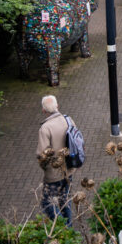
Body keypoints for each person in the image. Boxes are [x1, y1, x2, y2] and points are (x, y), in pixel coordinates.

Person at [37, 95, 74, 226]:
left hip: (53, 174)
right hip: (69, 169)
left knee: (47, 202)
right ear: (57, 106)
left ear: (43, 110)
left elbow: (41, 154)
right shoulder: (68, 120)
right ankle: (69, 228)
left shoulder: (45, 128)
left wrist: (46, 168)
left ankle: (62, 229)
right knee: (65, 200)